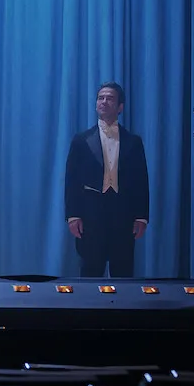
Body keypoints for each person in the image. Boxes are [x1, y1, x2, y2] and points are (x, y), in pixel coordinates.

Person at [64, 82, 149, 277]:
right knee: (90, 272)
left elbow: (141, 181)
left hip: (123, 215)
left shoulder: (133, 142)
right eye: (100, 98)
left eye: (110, 98)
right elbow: (72, 180)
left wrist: (141, 216)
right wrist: (73, 215)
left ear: (120, 107)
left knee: (124, 272)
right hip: (90, 215)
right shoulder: (81, 140)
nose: (104, 101)